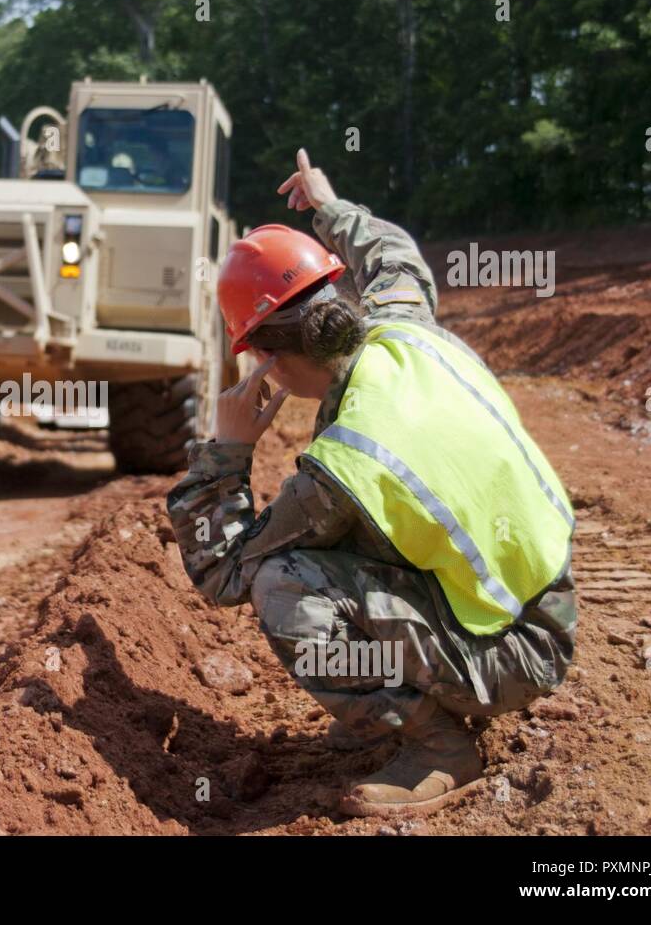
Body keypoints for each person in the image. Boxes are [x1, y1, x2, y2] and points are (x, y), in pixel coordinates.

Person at [166, 149, 578, 817]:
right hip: (543, 600)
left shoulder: (348, 462)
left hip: (516, 653)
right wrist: (330, 208)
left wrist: (226, 454)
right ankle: (420, 687)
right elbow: (392, 253)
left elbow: (225, 574)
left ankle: (439, 745)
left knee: (286, 584)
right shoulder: (402, 327)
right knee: (338, 554)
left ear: (266, 357)